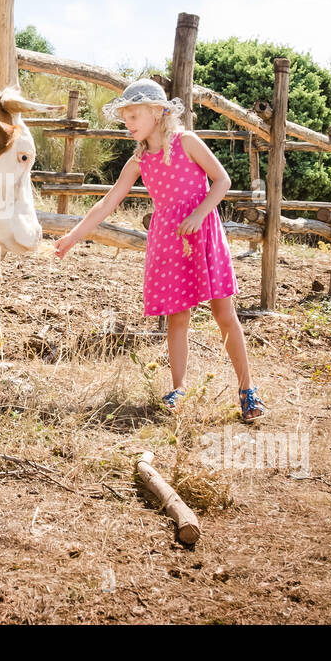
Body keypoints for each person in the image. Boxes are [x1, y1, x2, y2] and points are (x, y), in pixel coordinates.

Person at [53, 79, 265, 422]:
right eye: (125, 117)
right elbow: (108, 202)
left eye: (134, 115)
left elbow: (222, 180)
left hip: (202, 231)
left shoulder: (187, 142)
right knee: (177, 318)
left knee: (223, 314)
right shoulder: (138, 162)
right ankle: (178, 390)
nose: (128, 122)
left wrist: (199, 214)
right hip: (168, 239)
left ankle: (247, 390)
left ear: (157, 112)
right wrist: (74, 236)